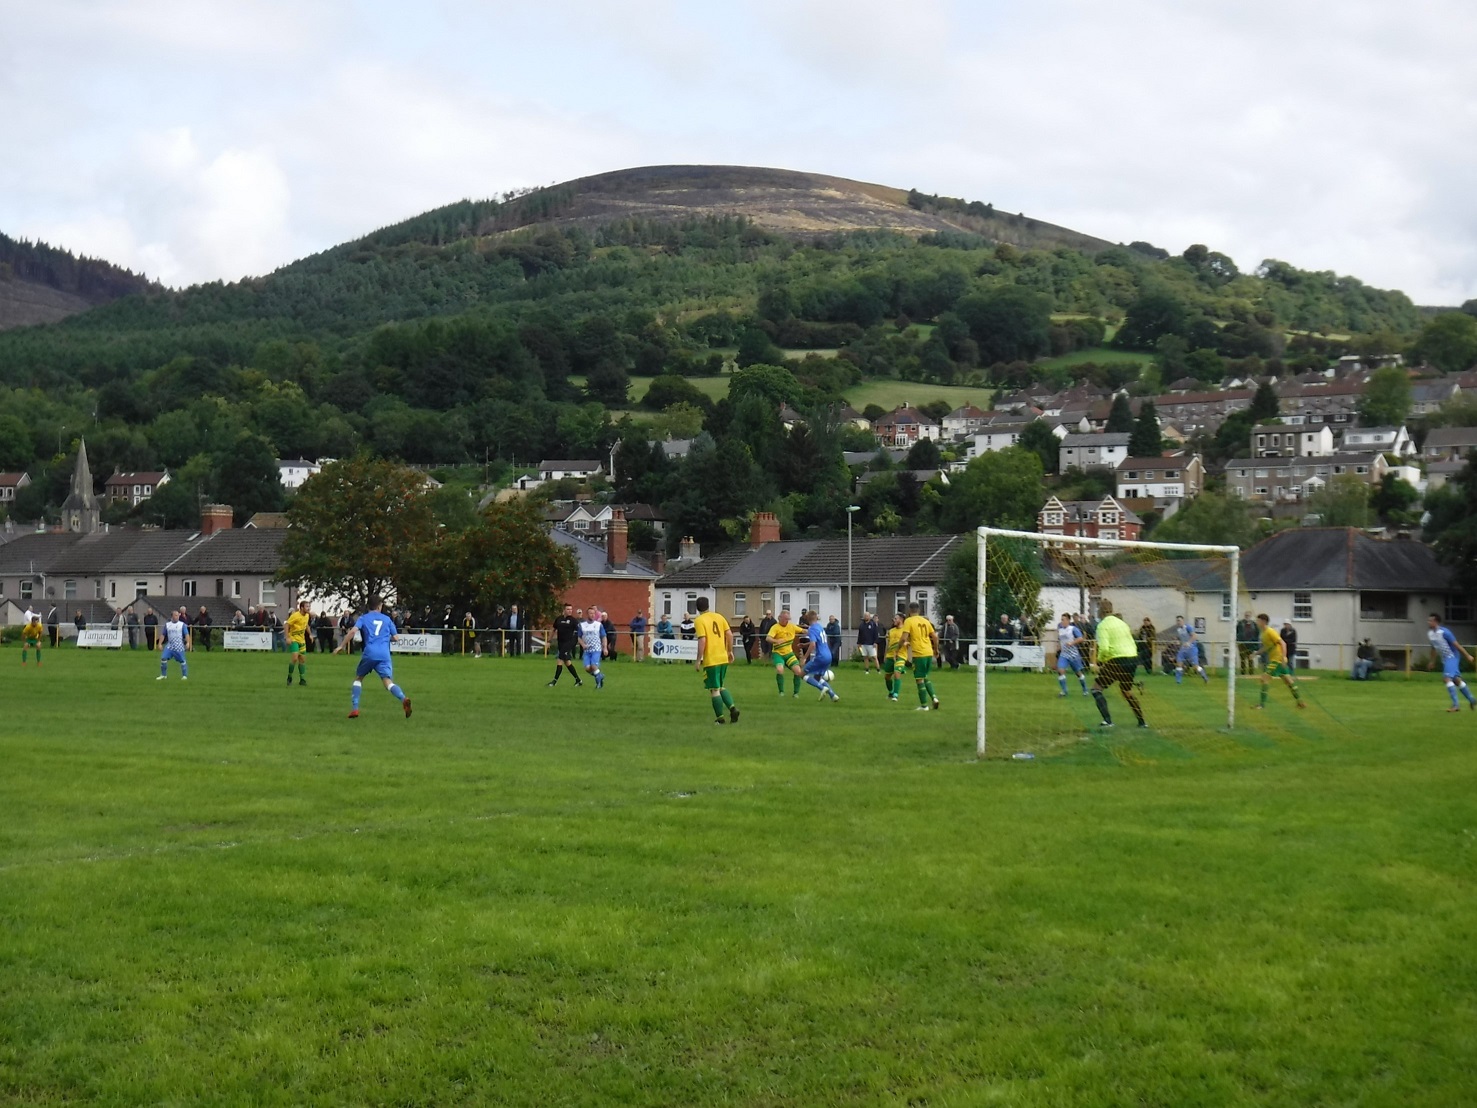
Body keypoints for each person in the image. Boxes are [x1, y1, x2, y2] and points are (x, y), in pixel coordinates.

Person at [333, 597, 411, 718]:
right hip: (384, 654)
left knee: (359, 678)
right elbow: (396, 638)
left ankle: (355, 708)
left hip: (370, 652)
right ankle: (403, 698)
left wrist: (341, 646)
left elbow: (353, 632)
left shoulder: (363, 618)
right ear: (379, 606)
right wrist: (385, 638)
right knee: (388, 682)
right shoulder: (387, 619)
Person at [1088, 599, 1146, 728]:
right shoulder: (1122, 623)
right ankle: (1142, 722)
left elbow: (1104, 648)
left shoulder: (1102, 625)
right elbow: (1131, 641)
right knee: (1126, 691)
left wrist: (1100, 661)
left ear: (1100, 611)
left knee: (1096, 689)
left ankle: (1108, 721)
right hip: (1132, 658)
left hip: (1118, 659)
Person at [693, 596, 741, 723]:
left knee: (714, 689)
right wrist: (729, 651)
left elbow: (702, 639)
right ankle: (732, 708)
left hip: (712, 659)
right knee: (720, 686)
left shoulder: (699, 620)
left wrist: (698, 659)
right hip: (722, 657)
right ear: (708, 606)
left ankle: (720, 719)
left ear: (697, 608)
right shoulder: (719, 616)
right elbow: (729, 634)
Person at [1251, 615, 1304, 711]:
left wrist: (1283, 657)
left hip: (1277, 659)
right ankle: (1300, 702)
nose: (1256, 622)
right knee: (1288, 681)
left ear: (1263, 622)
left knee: (1264, 678)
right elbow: (1266, 647)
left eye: (1258, 621)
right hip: (1276, 659)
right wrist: (1256, 653)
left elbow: (1283, 643)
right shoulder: (1263, 634)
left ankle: (1261, 705)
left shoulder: (1270, 631)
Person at [1427, 613, 1476, 712]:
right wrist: (1432, 661)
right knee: (1456, 680)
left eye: (1430, 621)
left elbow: (1457, 645)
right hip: (1445, 659)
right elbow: (1433, 648)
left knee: (1447, 678)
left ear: (1436, 622)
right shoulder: (1430, 634)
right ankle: (1472, 700)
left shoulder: (1445, 632)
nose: (1428, 622)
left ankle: (1456, 705)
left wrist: (1467, 655)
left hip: (1452, 657)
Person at [901, 602, 941, 711]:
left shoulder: (909, 621)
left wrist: (898, 648)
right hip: (928, 652)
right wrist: (936, 649)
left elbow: (903, 638)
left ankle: (924, 706)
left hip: (919, 653)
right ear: (919, 610)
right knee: (925, 676)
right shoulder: (925, 621)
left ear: (909, 610)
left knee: (919, 679)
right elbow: (935, 637)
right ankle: (934, 698)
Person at [799, 611, 840, 701]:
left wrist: (804, 658)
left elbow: (813, 644)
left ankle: (822, 688)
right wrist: (805, 645)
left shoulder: (812, 629)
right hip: (828, 656)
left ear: (807, 619)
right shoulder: (820, 627)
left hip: (820, 657)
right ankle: (833, 695)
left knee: (801, 674)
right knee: (817, 677)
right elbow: (817, 641)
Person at [765, 609, 805, 697]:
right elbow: (768, 638)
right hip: (778, 653)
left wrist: (814, 631)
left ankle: (796, 693)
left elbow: (803, 631)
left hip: (789, 654)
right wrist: (776, 641)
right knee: (780, 670)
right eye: (785, 619)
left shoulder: (792, 626)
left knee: (798, 671)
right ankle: (781, 692)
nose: (786, 621)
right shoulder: (775, 627)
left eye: (788, 619)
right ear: (780, 618)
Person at [547, 603, 584, 687]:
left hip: (569, 642)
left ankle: (554, 681)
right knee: (567, 662)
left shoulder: (573, 620)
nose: (570, 611)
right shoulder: (559, 619)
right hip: (561, 642)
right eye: (568, 609)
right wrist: (549, 641)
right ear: (564, 610)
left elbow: (580, 631)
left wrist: (580, 641)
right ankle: (578, 680)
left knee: (560, 659)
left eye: (571, 609)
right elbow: (553, 629)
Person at [1054, 612, 1090, 697]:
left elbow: (1080, 638)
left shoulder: (1073, 629)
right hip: (1064, 654)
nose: (1062, 621)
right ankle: (1064, 691)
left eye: (1063, 620)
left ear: (1068, 620)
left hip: (1073, 655)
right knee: (1060, 671)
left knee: (1078, 673)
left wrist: (1072, 643)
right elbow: (1060, 640)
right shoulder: (1060, 629)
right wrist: (1058, 646)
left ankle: (1085, 689)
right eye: (1061, 620)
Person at [1172, 616, 1209, 685]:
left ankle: (1204, 675)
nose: (1178, 622)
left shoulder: (1188, 627)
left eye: (1179, 620)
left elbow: (1194, 636)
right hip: (1183, 649)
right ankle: (1178, 681)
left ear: (1183, 621)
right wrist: (1178, 642)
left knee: (1195, 667)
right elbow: (1182, 639)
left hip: (1191, 649)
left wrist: (1189, 642)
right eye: (1177, 621)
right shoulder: (1178, 630)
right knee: (1179, 663)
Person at [157, 608, 191, 681]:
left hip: (179, 646)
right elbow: (163, 635)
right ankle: (163, 675)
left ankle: (184, 676)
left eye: (178, 615)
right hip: (170, 646)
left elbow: (186, 634)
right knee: (163, 658)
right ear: (172, 616)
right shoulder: (167, 625)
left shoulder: (182, 625)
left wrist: (188, 642)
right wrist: (160, 644)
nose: (177, 616)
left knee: (182, 661)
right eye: (175, 615)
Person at [284, 599, 312, 686]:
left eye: (309, 606)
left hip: (302, 640)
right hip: (294, 639)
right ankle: (289, 676)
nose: (308, 608)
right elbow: (286, 624)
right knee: (295, 658)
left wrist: (310, 634)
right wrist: (287, 637)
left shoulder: (307, 616)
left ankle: (302, 679)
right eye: (307, 606)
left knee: (302, 660)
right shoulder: (295, 616)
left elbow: (306, 625)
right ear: (302, 608)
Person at [578, 607, 607, 689]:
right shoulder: (582, 625)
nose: (592, 615)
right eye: (590, 613)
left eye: (594, 613)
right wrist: (583, 645)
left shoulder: (598, 625)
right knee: (587, 668)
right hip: (587, 650)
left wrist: (605, 648)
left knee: (594, 666)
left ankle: (598, 684)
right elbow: (579, 637)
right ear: (587, 614)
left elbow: (604, 636)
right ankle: (600, 675)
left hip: (596, 649)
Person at [881, 612, 907, 701]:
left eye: (896, 618)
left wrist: (907, 643)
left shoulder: (906, 631)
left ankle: (895, 695)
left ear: (901, 620)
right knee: (887, 677)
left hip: (901, 655)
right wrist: (885, 656)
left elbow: (912, 641)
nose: (894, 620)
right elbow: (888, 644)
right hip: (890, 656)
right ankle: (891, 692)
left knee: (896, 674)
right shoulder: (891, 631)